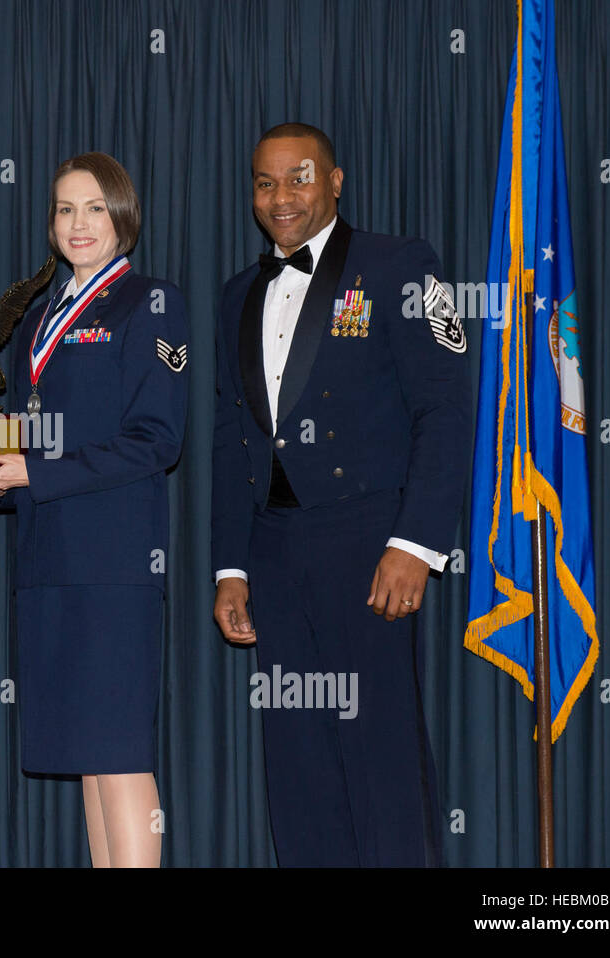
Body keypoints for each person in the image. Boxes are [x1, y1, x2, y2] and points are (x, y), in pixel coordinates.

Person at [210, 122, 471, 866]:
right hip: (273, 553)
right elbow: (234, 441)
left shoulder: (400, 264)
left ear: (335, 180)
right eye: (264, 182)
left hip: (369, 546)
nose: (280, 196)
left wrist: (415, 542)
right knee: (297, 764)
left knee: (380, 759)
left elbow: (445, 411)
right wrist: (231, 565)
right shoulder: (238, 294)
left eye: (298, 177)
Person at [0, 152, 189, 868]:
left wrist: (33, 469)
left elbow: (156, 442)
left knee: (119, 755)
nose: (78, 223)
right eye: (65, 208)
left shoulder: (152, 303)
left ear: (123, 215)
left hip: (114, 564)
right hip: (46, 564)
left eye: (95, 207)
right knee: (90, 758)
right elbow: (28, 427)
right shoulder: (36, 319)